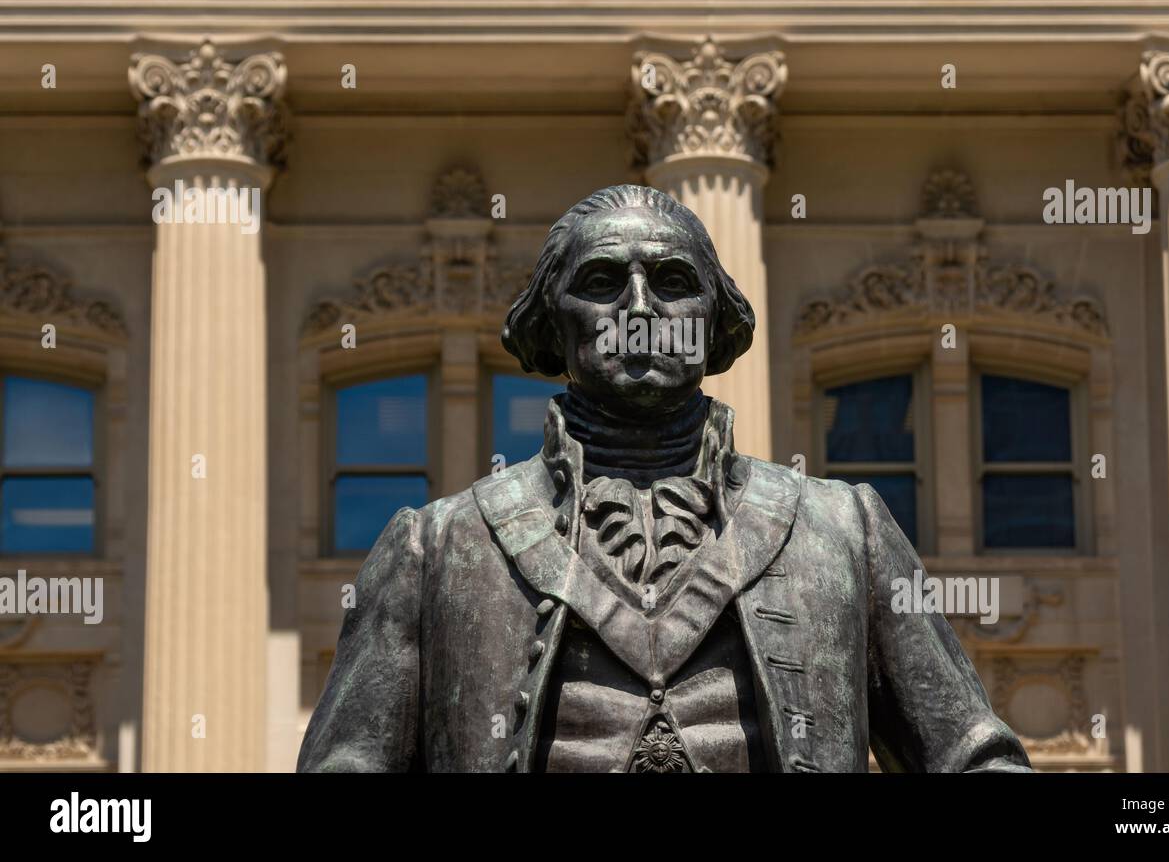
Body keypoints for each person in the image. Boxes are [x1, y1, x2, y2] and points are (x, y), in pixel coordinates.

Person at [298, 184, 1031, 773]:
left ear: (715, 320)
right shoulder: (435, 548)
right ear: (554, 324)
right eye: (603, 282)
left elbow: (971, 755)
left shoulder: (843, 529)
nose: (642, 310)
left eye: (675, 282)